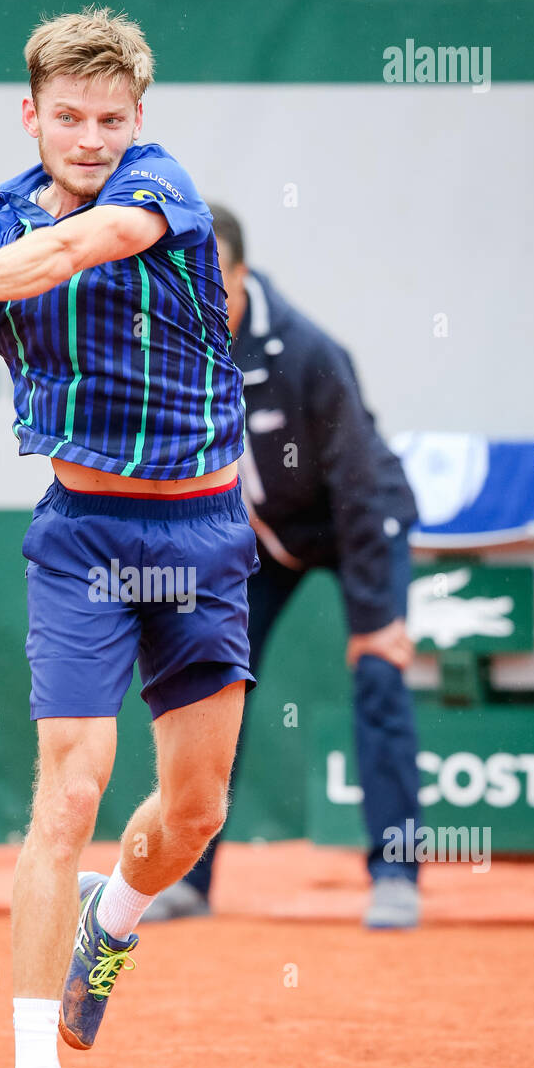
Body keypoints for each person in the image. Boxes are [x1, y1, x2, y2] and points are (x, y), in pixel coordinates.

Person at [0, 9, 258, 1068]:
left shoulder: (157, 189)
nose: (90, 137)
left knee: (192, 813)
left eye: (110, 119)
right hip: (83, 534)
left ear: (136, 120)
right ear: (33, 112)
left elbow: (66, 255)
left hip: (201, 532)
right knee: (73, 788)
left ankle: (119, 916)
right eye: (69, 117)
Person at [143, 205, 423, 931]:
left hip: (361, 522)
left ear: (237, 275)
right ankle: (189, 879)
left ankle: (395, 873)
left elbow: (359, 488)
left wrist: (373, 621)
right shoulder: (173, 346)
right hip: (265, 538)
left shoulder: (309, 354)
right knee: (212, 687)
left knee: (380, 673)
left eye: (207, 276)